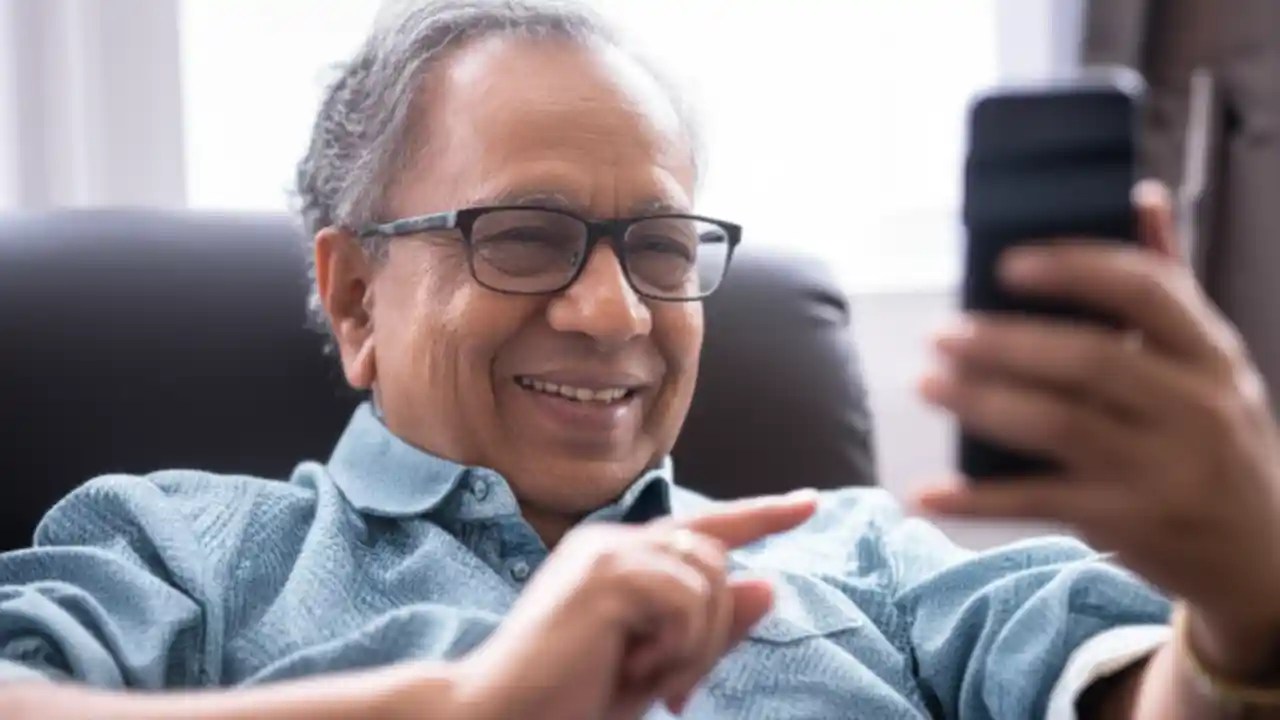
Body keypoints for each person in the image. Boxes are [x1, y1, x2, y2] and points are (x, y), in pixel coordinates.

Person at [3, 1, 1280, 718]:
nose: (614, 314)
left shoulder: (863, 556)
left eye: (660, 249)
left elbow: (1141, 696)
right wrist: (463, 710)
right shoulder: (184, 554)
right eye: (524, 238)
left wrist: (1241, 611)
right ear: (354, 297)